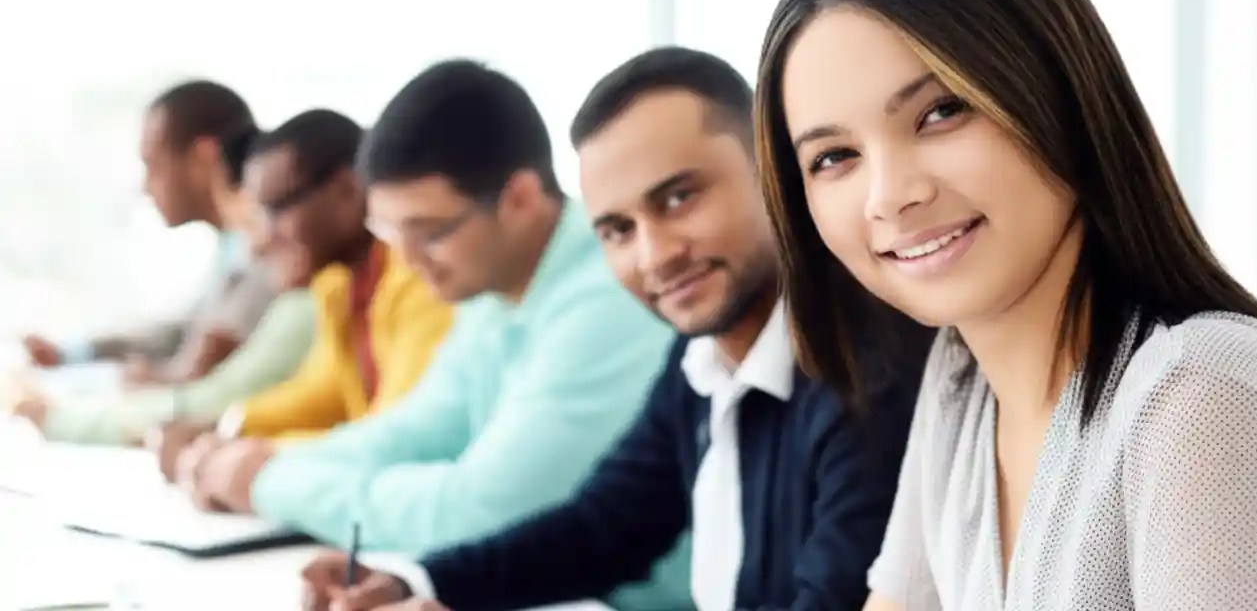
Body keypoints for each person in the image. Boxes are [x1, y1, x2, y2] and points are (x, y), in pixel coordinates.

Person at [753, 0, 1257, 611]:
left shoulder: (1199, 396)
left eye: (940, 112)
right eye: (835, 157)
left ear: (1058, 92)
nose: (891, 196)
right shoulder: (961, 382)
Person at [300, 48, 932, 611]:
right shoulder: (702, 354)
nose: (654, 256)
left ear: (775, 172)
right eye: (618, 230)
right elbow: (605, 528)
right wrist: (417, 582)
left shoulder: (869, 371)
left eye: (679, 198)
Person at [176, 61, 675, 562]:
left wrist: (269, 483)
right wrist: (264, 460)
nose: (409, 264)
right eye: (393, 235)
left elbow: (479, 509)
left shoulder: (605, 299)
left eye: (430, 233)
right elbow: (417, 429)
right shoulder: (491, 292)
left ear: (520, 199)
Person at [163, 109, 453, 495]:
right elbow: (319, 394)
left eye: (278, 208)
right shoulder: (339, 287)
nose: (261, 239)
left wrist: (257, 458)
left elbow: (399, 437)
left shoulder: (421, 282)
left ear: (348, 190)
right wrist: (227, 426)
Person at [8, 124, 316, 445]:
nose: (259, 243)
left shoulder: (301, 301)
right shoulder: (251, 264)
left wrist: (59, 418)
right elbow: (182, 341)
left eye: (271, 208)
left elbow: (211, 399)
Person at [22, 81, 276, 385]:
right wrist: (73, 354)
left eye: (153, 164)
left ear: (203, 158)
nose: (145, 187)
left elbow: (198, 372)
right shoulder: (231, 248)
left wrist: (155, 378)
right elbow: (181, 332)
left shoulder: (266, 250)